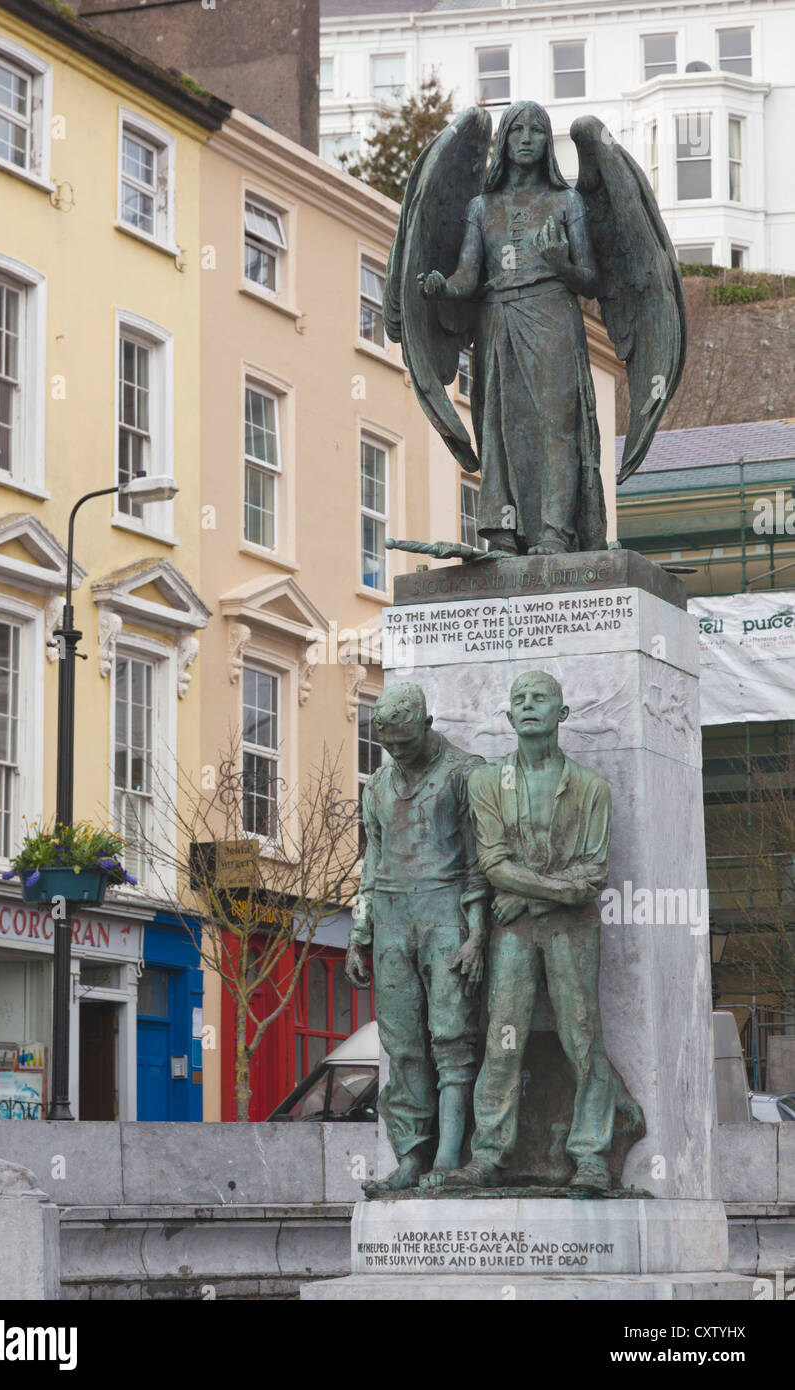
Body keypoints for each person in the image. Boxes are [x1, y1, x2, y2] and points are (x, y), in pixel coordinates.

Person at [438, 669, 621, 1192]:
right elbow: (493, 864)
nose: (527, 705)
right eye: (519, 699)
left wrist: (529, 899)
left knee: (582, 1035)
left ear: (562, 714)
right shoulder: (487, 782)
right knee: (503, 1038)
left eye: (540, 698)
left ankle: (591, 1154)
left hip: (566, 930)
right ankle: (488, 1154)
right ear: (510, 714)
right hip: (513, 934)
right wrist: (547, 892)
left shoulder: (591, 789)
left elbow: (592, 876)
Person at [418, 101, 606, 556]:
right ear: (503, 141)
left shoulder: (568, 202)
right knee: (499, 423)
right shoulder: (482, 208)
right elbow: (468, 275)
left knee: (556, 424)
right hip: (497, 316)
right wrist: (442, 286)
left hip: (552, 313)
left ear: (547, 142)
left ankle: (555, 532)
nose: (526, 138)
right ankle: (503, 531)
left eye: (536, 131)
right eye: (516, 130)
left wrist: (562, 263)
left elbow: (591, 278)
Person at [344, 683, 488, 1192]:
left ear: (428, 724)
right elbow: (371, 863)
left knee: (451, 1038)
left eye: (406, 742)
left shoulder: (465, 774)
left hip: (446, 913)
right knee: (401, 1043)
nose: (399, 753)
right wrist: (359, 931)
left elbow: (480, 863)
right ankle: (410, 1157)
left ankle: (449, 1156)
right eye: (390, 745)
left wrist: (477, 932)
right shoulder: (378, 786)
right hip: (391, 918)